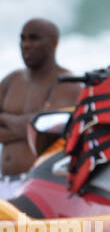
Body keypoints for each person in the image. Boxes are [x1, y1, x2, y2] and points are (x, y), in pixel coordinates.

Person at [0, 19, 81, 186]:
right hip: (4, 182)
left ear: (54, 43)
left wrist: (3, 118)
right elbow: (36, 128)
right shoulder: (12, 79)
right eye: (23, 38)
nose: (26, 44)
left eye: (34, 38)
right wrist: (29, 124)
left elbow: (48, 132)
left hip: (39, 186)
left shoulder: (67, 83)